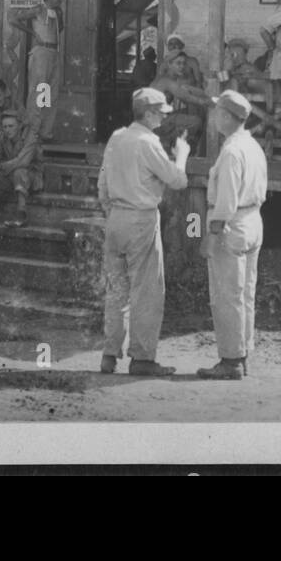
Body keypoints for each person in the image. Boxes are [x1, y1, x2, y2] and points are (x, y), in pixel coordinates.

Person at [97, 87, 190, 377]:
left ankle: (109, 355)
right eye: (161, 113)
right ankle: (142, 358)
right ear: (148, 113)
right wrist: (182, 155)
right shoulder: (147, 142)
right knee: (146, 290)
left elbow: (102, 181)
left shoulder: (116, 137)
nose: (163, 118)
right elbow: (177, 181)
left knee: (116, 291)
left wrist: (110, 210)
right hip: (140, 218)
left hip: (115, 218)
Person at [197, 91, 269, 381]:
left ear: (227, 116)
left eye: (217, 112)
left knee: (226, 295)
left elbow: (225, 202)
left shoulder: (230, 152)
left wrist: (211, 235)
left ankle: (231, 360)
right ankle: (242, 353)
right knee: (245, 293)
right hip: (253, 220)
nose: (213, 117)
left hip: (231, 223)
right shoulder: (251, 145)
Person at [8, 0, 65, 138]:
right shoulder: (39, 9)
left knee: (50, 94)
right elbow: (13, 19)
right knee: (39, 92)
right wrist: (32, 33)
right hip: (40, 53)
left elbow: (58, 30)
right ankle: (33, 131)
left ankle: (45, 131)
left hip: (54, 53)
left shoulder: (58, 12)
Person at [0, 110, 43, 228]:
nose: (7, 129)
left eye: (11, 126)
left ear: (19, 126)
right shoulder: (4, 138)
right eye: (5, 127)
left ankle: (21, 214)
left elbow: (22, 161)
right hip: (11, 178)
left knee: (20, 172)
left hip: (31, 178)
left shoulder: (31, 137)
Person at [150, 50, 210, 146]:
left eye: (184, 63)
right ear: (169, 64)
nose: (182, 67)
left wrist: (204, 95)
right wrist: (204, 102)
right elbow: (186, 97)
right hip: (155, 123)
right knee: (196, 122)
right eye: (178, 63)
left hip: (157, 119)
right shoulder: (165, 80)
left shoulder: (172, 80)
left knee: (187, 111)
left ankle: (171, 143)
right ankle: (166, 142)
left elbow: (184, 93)